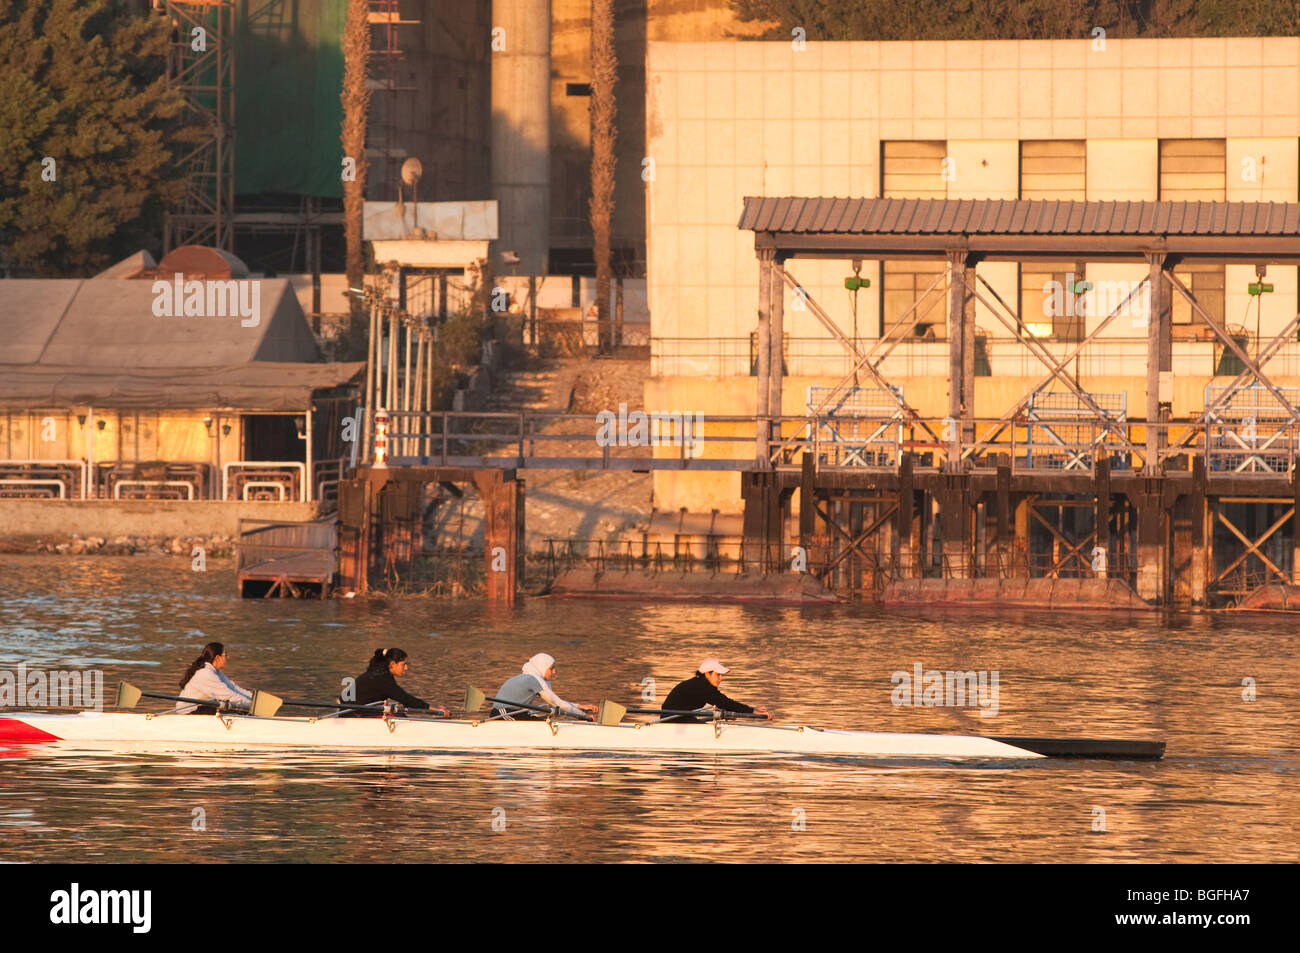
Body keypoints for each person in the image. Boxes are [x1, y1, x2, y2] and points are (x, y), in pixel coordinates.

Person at [660, 659, 771, 722]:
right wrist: (752, 711)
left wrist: (751, 709)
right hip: (672, 720)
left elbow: (724, 703)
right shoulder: (701, 686)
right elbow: (724, 703)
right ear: (707, 674)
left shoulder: (699, 682)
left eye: (721, 675)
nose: (721, 678)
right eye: (718, 675)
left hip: (682, 717)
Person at [346, 648, 449, 716]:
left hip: (360, 711)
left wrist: (431, 707)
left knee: (400, 714)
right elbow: (404, 698)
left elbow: (402, 697)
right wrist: (432, 709)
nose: (406, 668)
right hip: (352, 715)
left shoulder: (381, 673)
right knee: (398, 716)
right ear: (392, 663)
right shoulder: (381, 677)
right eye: (403, 664)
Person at [491, 653, 596, 719]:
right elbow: (557, 703)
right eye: (551, 668)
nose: (555, 671)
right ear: (542, 667)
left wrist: (579, 706)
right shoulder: (533, 679)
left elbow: (555, 702)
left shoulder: (535, 677)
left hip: (517, 713)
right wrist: (585, 716)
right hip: (502, 713)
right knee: (542, 724)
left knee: (543, 721)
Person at [177, 642, 253, 715]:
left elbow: (235, 689)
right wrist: (253, 706)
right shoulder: (205, 674)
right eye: (225, 655)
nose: (227, 657)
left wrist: (256, 699)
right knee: (241, 712)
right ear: (217, 657)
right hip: (188, 711)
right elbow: (230, 696)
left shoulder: (215, 672)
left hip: (202, 707)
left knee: (241, 710)